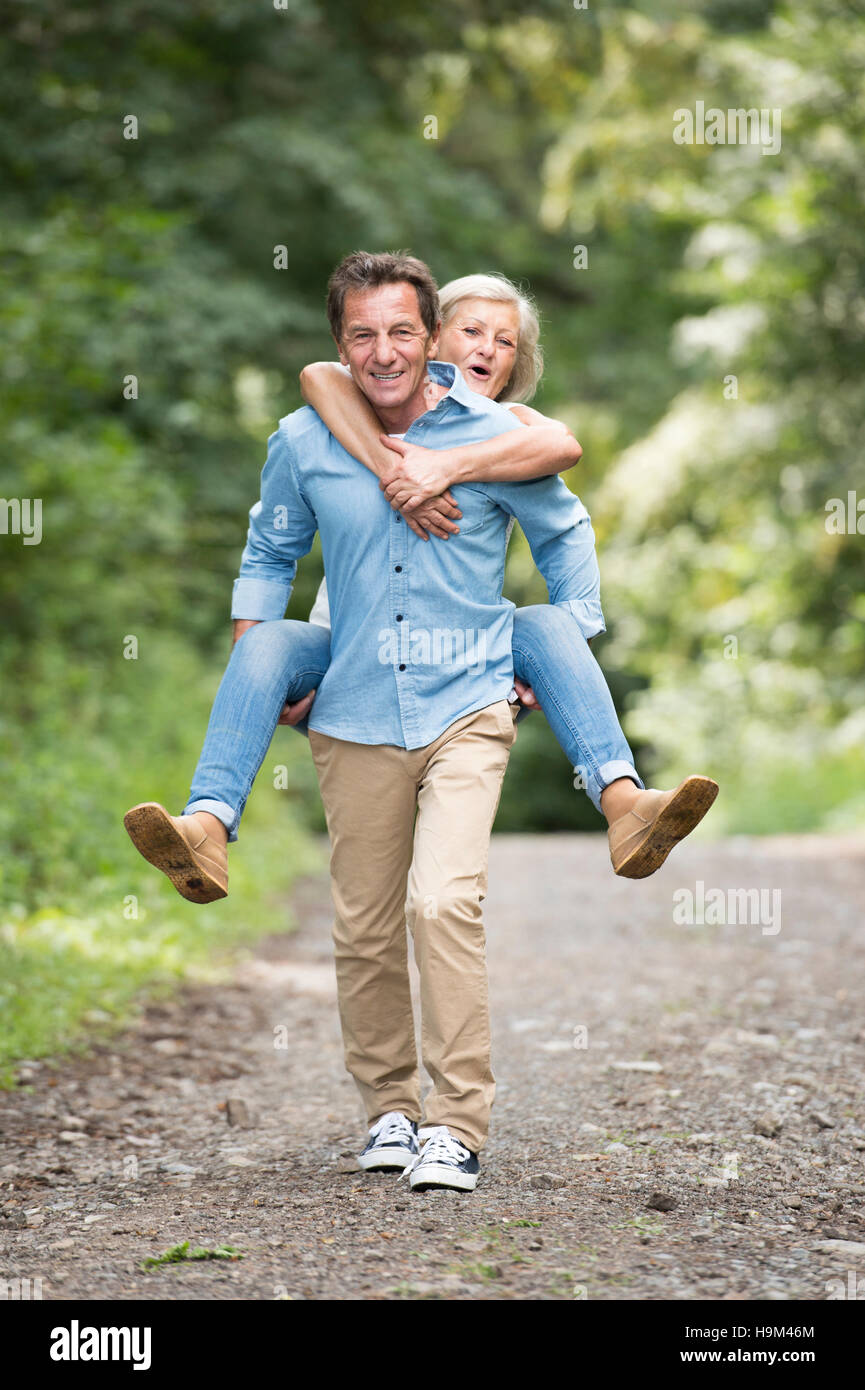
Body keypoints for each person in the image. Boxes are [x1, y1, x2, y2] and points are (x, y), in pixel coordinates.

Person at [125, 251, 717, 1192]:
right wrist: (261, 653)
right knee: (362, 928)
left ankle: (456, 1122)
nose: (383, 350)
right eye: (363, 333)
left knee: (442, 902)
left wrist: (557, 643)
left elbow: (564, 530)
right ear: (342, 341)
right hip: (353, 706)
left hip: (466, 703)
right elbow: (270, 544)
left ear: (427, 336)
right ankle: (387, 1108)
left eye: (400, 330)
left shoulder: (494, 435)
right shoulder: (305, 435)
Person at [124, 271, 718, 914]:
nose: (487, 350)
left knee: (549, 627)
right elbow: (317, 376)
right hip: (344, 648)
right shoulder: (342, 407)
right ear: (432, 339)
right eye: (471, 331)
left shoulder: (506, 431)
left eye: (505, 342)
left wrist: (449, 468)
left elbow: (562, 454)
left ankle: (624, 804)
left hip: (464, 649)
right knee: (265, 646)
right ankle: (207, 825)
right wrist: (257, 665)